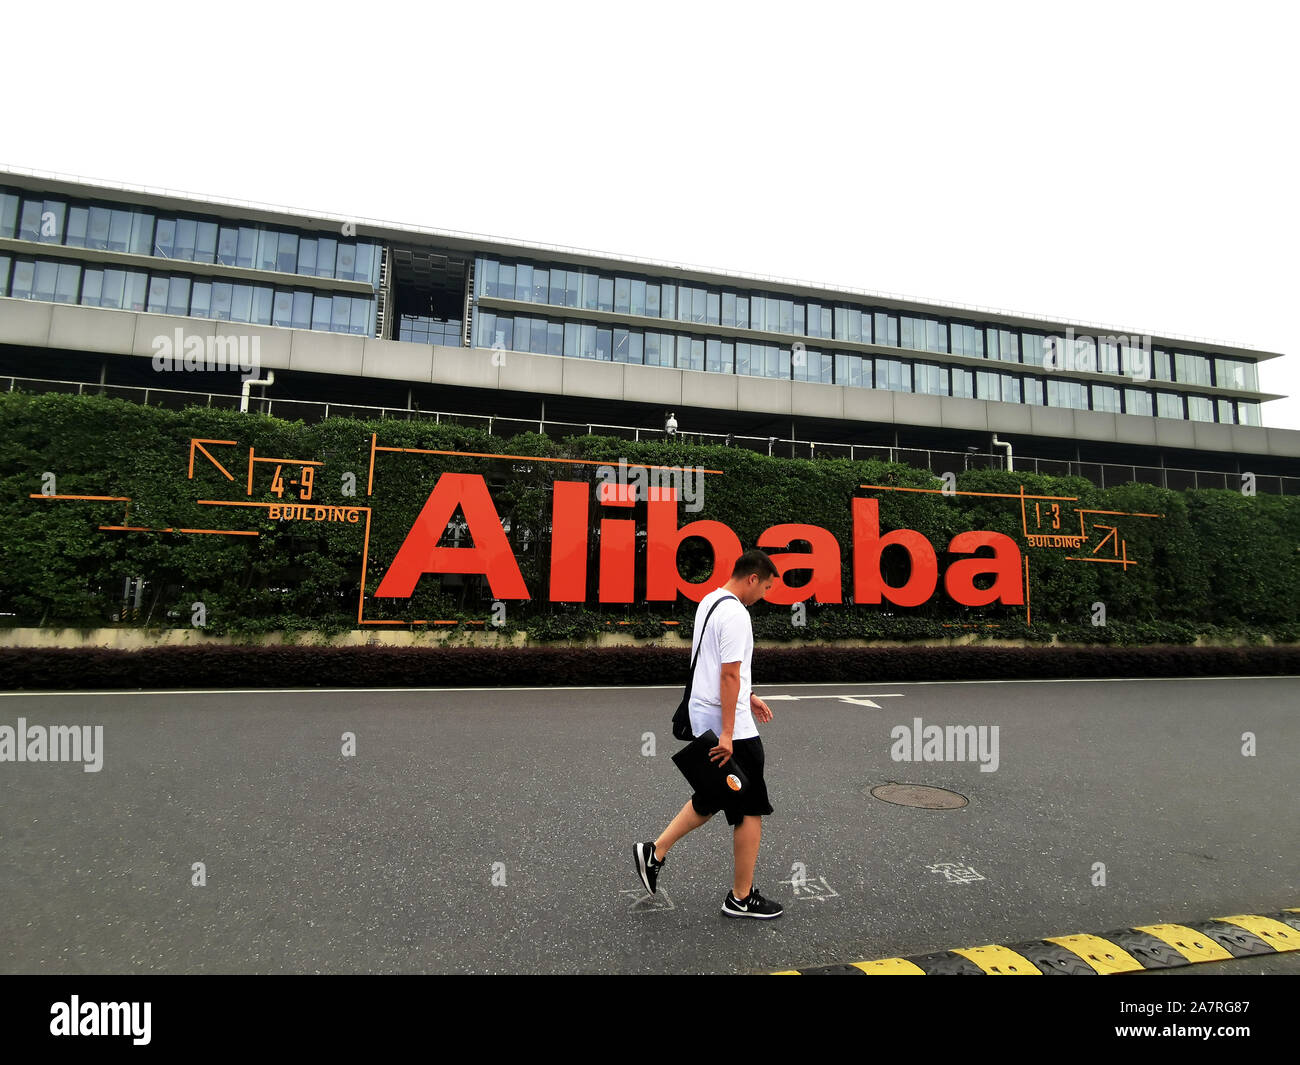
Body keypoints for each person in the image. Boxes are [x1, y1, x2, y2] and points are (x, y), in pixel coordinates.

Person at [633, 548, 783, 918]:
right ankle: (741, 898)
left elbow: (714, 664)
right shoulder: (735, 613)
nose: (763, 595)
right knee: (750, 808)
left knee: (716, 792)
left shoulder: (710, 601)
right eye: (764, 587)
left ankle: (655, 851)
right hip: (728, 727)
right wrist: (729, 733)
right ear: (752, 578)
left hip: (707, 716)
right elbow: (728, 673)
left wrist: (748, 695)